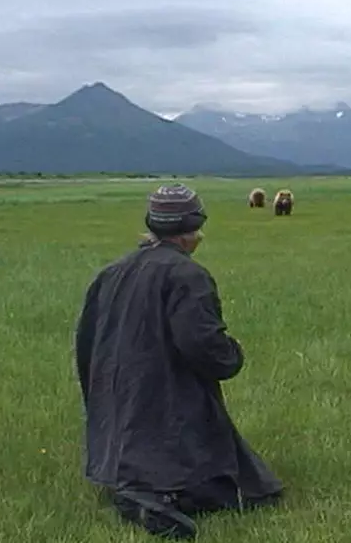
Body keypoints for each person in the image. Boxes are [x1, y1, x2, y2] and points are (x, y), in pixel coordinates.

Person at [74, 183, 284, 540]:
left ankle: (133, 486)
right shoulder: (187, 276)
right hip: (162, 404)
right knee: (255, 492)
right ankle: (153, 498)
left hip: (116, 422)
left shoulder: (112, 272)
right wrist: (232, 354)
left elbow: (87, 339)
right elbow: (203, 345)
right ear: (191, 227)